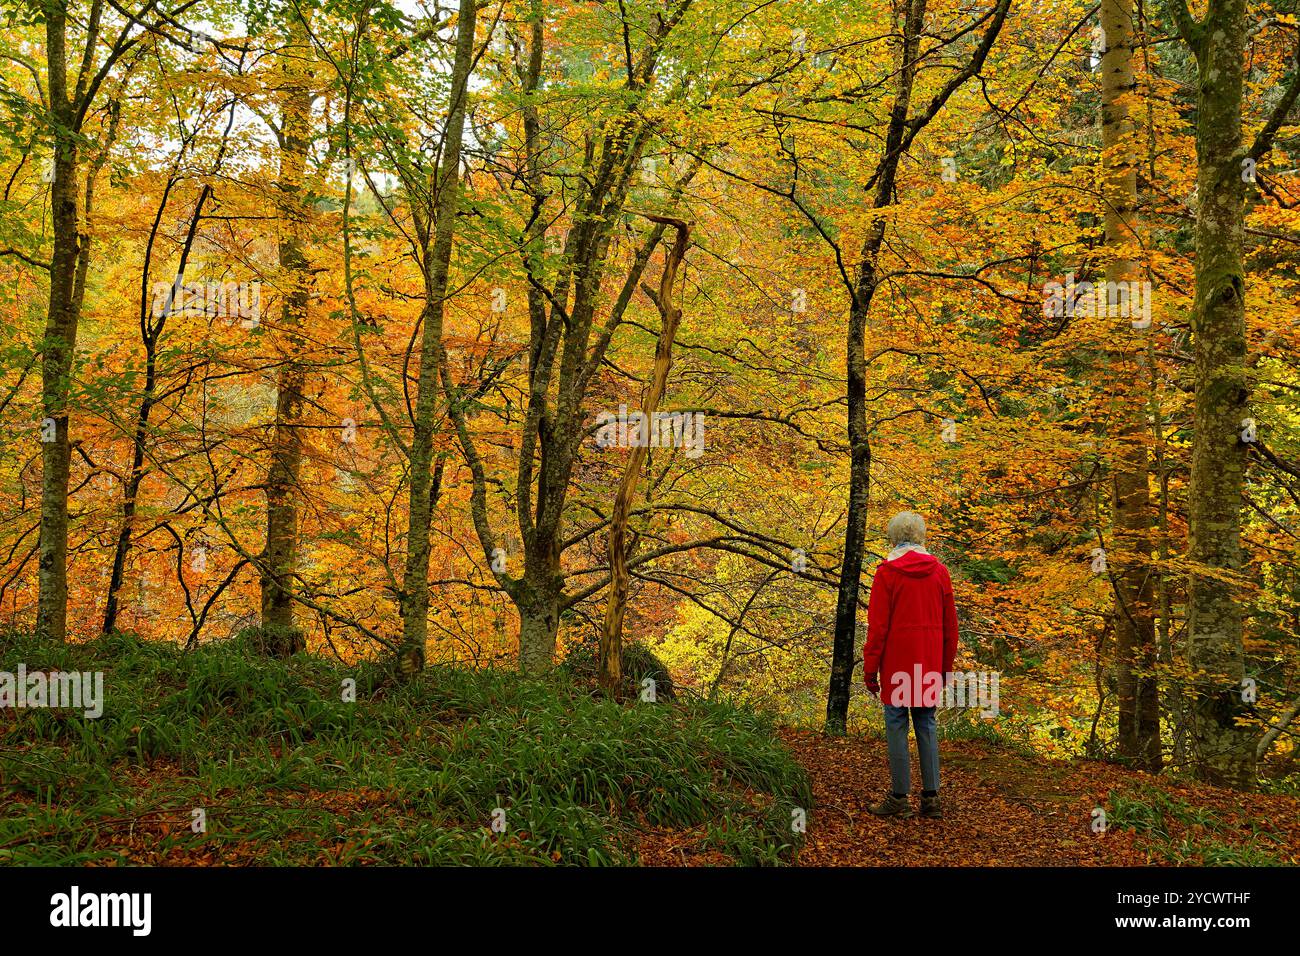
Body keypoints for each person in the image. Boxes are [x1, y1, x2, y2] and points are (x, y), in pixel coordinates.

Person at [862, 511, 959, 819]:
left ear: (893, 537)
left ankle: (899, 797)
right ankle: (931, 798)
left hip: (896, 663)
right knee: (926, 723)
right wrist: (945, 667)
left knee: (896, 725)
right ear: (921, 536)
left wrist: (870, 669)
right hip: (928, 661)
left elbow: (878, 628)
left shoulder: (887, 573)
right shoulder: (939, 572)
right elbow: (950, 626)